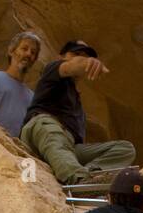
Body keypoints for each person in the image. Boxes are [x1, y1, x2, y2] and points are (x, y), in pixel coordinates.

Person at [20, 39, 136, 185]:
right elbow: (70, 67)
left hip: (70, 147)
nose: (82, 58)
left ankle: (90, 175)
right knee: (55, 140)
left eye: (86, 56)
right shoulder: (53, 70)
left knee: (125, 149)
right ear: (61, 57)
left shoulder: (77, 104)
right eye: (76, 53)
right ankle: (79, 178)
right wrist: (87, 63)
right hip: (44, 129)